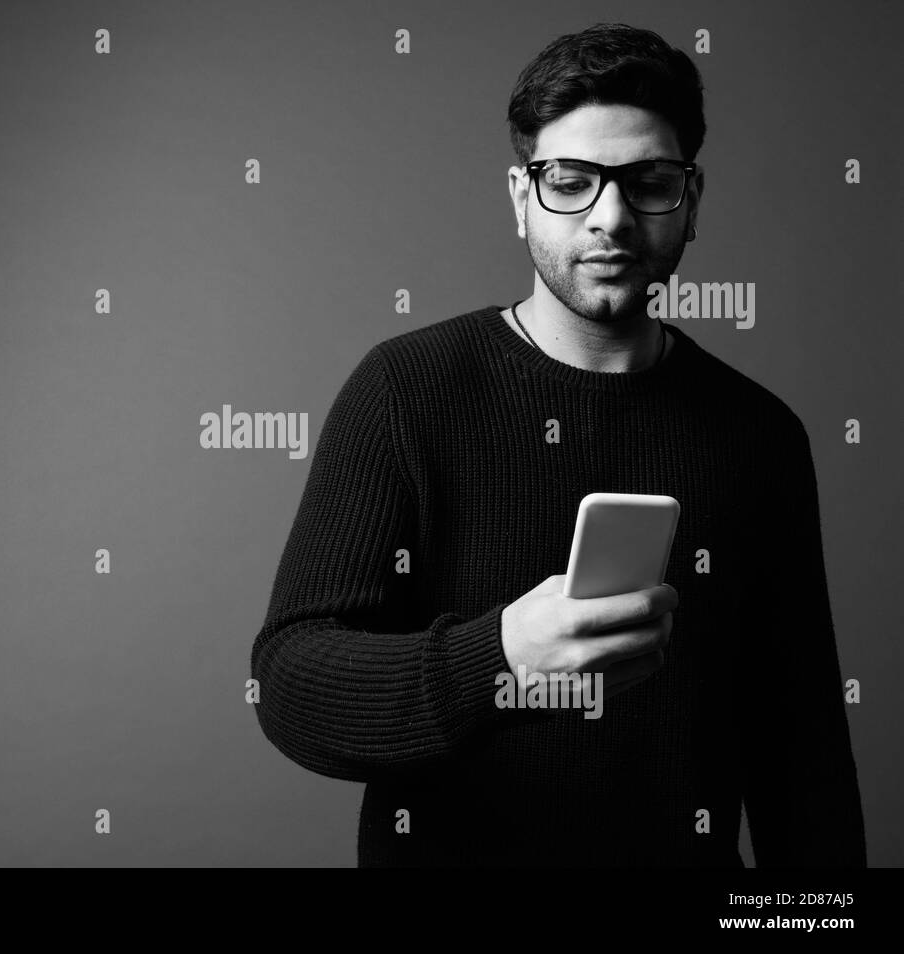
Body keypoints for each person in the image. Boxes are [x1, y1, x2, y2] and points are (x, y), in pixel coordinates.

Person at [250, 22, 866, 867]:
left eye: (649, 182)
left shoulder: (761, 436)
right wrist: (498, 656)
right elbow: (290, 687)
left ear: (691, 198)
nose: (610, 218)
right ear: (520, 196)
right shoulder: (405, 390)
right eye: (571, 181)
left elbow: (804, 759)